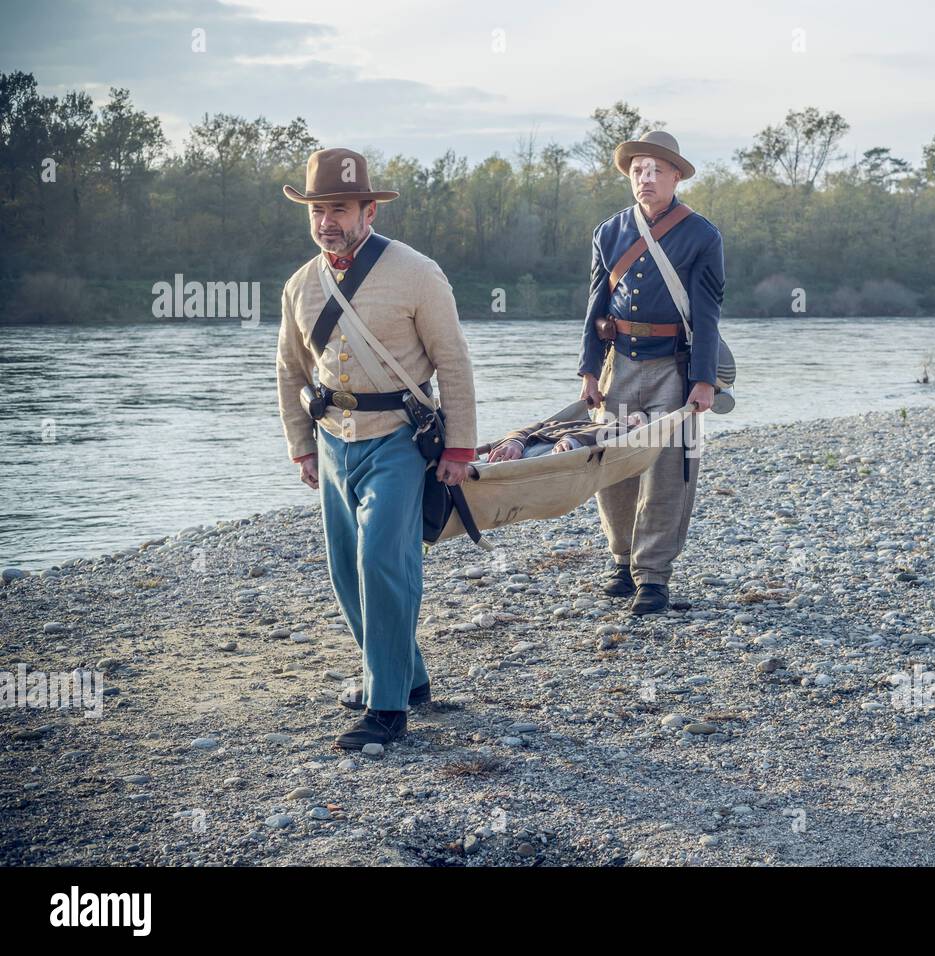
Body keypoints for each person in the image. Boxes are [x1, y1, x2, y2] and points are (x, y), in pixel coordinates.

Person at [275, 147, 478, 750]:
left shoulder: (418, 272)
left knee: (383, 566)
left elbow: (454, 364)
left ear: (369, 211)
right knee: (343, 572)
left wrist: (460, 450)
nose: (325, 221)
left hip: (399, 441)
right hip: (333, 441)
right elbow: (289, 370)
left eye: (338, 208)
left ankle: (387, 708)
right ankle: (408, 676)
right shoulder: (300, 285)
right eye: (316, 209)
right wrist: (301, 445)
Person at [575, 131, 724, 615]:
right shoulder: (609, 231)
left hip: (675, 370)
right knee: (611, 465)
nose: (647, 178)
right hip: (620, 364)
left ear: (676, 176)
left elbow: (707, 315)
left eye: (657, 170)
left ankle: (654, 577)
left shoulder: (702, 235)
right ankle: (622, 561)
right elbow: (595, 306)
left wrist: (703, 380)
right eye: (639, 170)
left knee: (668, 472)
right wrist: (589, 370)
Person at [481, 410, 648, 462]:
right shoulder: (555, 425)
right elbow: (535, 427)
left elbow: (611, 430)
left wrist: (572, 441)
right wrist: (514, 441)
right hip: (511, 456)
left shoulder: (605, 430)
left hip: (551, 459)